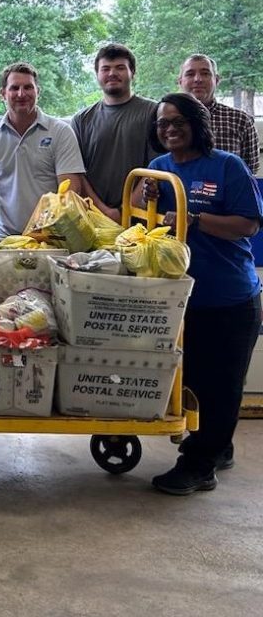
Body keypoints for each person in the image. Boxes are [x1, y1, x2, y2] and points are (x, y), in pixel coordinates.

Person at [139, 92, 263, 495]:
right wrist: (147, 202)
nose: (170, 129)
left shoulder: (227, 166)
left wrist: (195, 219)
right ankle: (217, 446)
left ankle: (198, 466)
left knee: (221, 384)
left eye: (179, 121)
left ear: (197, 123)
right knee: (189, 379)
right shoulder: (158, 169)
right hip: (179, 298)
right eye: (162, 124)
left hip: (228, 297)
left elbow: (247, 225)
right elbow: (145, 221)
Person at [0, 62, 86, 244]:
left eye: (28, 87)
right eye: (14, 88)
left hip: (50, 239)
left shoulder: (60, 132)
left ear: (38, 92)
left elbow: (70, 191)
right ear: (3, 93)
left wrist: (48, 236)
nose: (21, 94)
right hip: (4, 238)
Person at [72, 43, 158, 220]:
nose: (112, 73)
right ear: (97, 74)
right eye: (105, 69)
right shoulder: (81, 120)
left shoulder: (153, 112)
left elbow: (155, 169)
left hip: (141, 220)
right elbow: (77, 173)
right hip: (93, 218)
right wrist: (102, 211)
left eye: (120, 68)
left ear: (132, 72)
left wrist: (124, 211)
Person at [178, 54, 259, 174]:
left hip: (228, 191)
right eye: (190, 74)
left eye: (205, 73)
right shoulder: (166, 121)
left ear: (216, 80)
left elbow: (250, 169)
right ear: (180, 81)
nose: (197, 79)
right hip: (177, 191)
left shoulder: (240, 120)